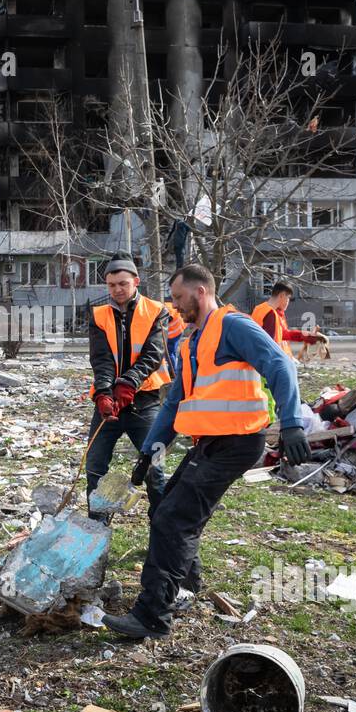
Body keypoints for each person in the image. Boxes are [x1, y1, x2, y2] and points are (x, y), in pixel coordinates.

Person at [101, 264, 310, 639]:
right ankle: (187, 584)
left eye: (179, 298)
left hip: (238, 443)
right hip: (210, 443)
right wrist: (150, 452)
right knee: (167, 507)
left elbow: (279, 363)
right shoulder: (192, 341)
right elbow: (174, 403)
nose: (175, 306)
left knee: (173, 520)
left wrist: (292, 422)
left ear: (200, 292)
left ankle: (152, 616)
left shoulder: (234, 326)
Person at [86, 259, 171, 523]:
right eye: (111, 285)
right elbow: (101, 359)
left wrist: (129, 382)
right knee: (94, 467)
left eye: (123, 283)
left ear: (136, 281)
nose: (117, 290)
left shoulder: (156, 310)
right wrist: (103, 392)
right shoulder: (99, 314)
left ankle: (161, 527)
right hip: (109, 403)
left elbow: (152, 354)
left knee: (155, 469)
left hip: (144, 402)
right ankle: (96, 526)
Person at [250, 280, 327, 357]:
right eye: (288, 298)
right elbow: (270, 345)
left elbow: (284, 334)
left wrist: (307, 336)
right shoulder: (271, 314)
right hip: (271, 361)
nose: (288, 301)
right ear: (282, 295)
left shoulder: (260, 309)